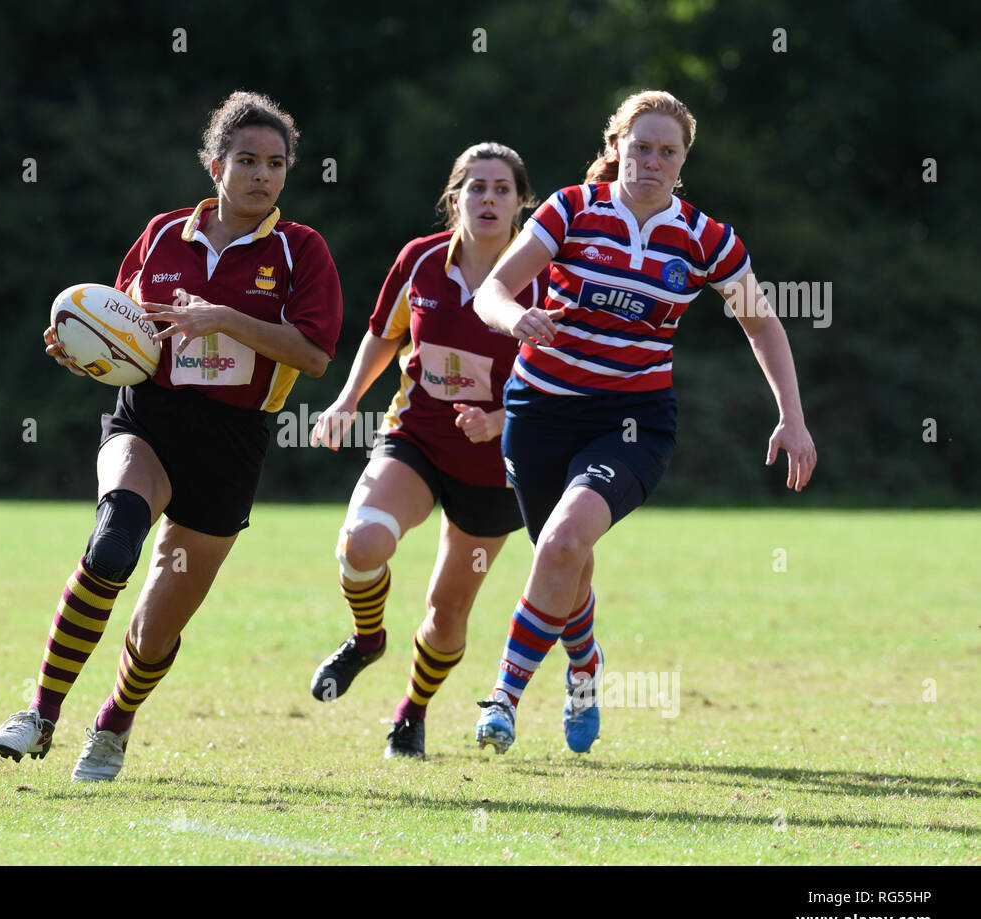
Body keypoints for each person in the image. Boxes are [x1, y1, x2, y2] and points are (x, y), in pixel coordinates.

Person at [0, 91, 342, 781]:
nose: (262, 174)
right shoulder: (161, 235)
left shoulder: (302, 251)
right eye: (246, 160)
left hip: (232, 444)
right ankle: (40, 715)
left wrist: (224, 317)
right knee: (112, 542)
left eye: (276, 163)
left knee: (154, 630)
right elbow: (126, 335)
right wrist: (82, 348)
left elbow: (315, 355)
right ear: (215, 165)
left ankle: (114, 725)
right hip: (148, 419)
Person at [470, 90, 817, 755]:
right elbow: (493, 289)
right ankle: (586, 666)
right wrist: (519, 320)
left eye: (668, 151)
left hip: (632, 422)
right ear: (617, 146)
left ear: (684, 161)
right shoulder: (571, 209)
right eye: (641, 146)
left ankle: (504, 699)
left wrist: (792, 417)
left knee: (565, 540)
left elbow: (761, 322)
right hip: (540, 410)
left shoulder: (705, 238)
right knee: (562, 558)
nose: (652, 161)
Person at [307, 143, 548, 758]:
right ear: (454, 197)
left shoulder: (547, 276)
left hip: (496, 470)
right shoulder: (419, 261)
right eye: (475, 187)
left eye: (501, 189)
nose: (488, 199)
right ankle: (366, 641)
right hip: (415, 440)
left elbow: (565, 378)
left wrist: (501, 419)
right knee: (362, 542)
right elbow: (382, 335)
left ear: (522, 202)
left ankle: (411, 712)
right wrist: (346, 399)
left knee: (446, 613)